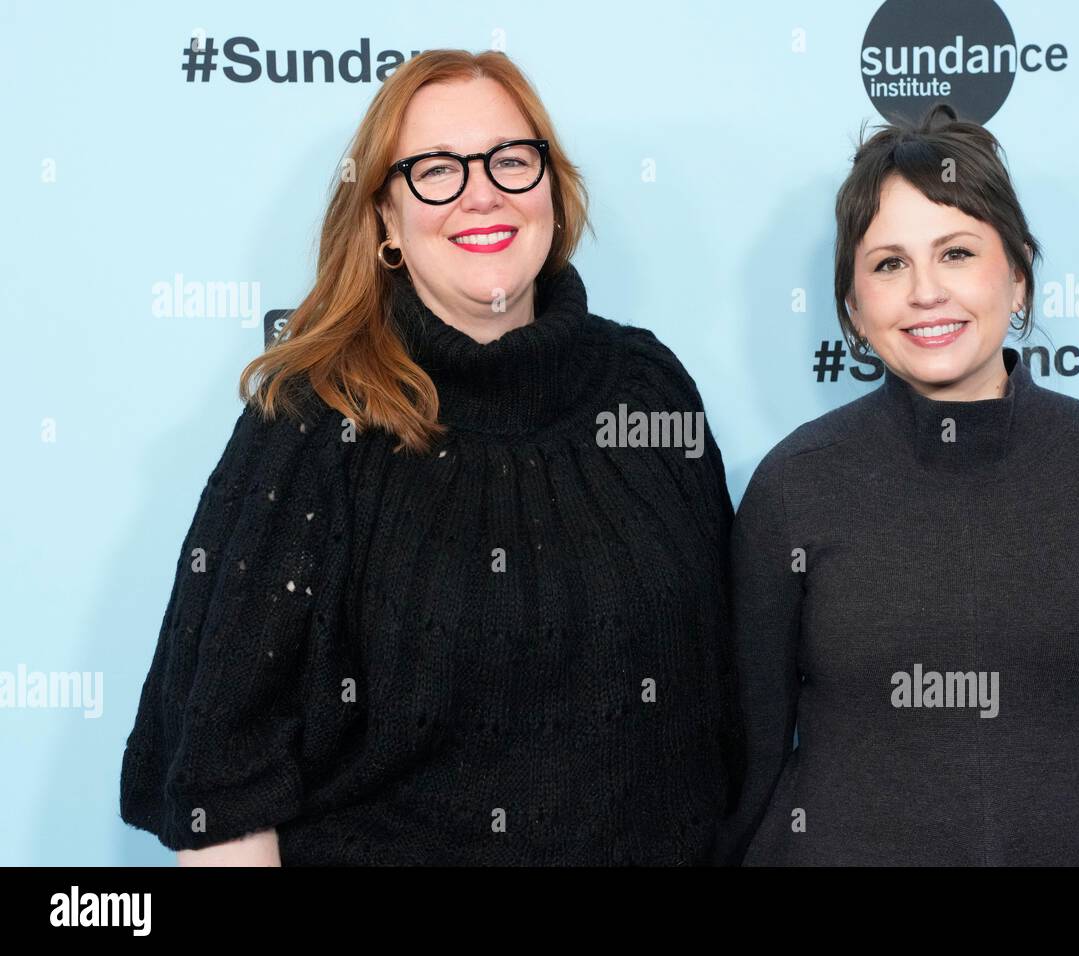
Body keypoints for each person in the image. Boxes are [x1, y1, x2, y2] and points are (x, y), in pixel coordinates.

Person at [119, 49, 740, 866]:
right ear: (383, 218)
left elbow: (723, 701)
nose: (482, 192)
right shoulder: (315, 419)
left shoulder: (651, 390)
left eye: (511, 161)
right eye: (436, 170)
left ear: (552, 189)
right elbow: (221, 786)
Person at [712, 103, 1079, 866]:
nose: (925, 292)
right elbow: (744, 762)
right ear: (853, 307)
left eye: (955, 253)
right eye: (889, 263)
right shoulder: (795, 486)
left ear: (1017, 274)